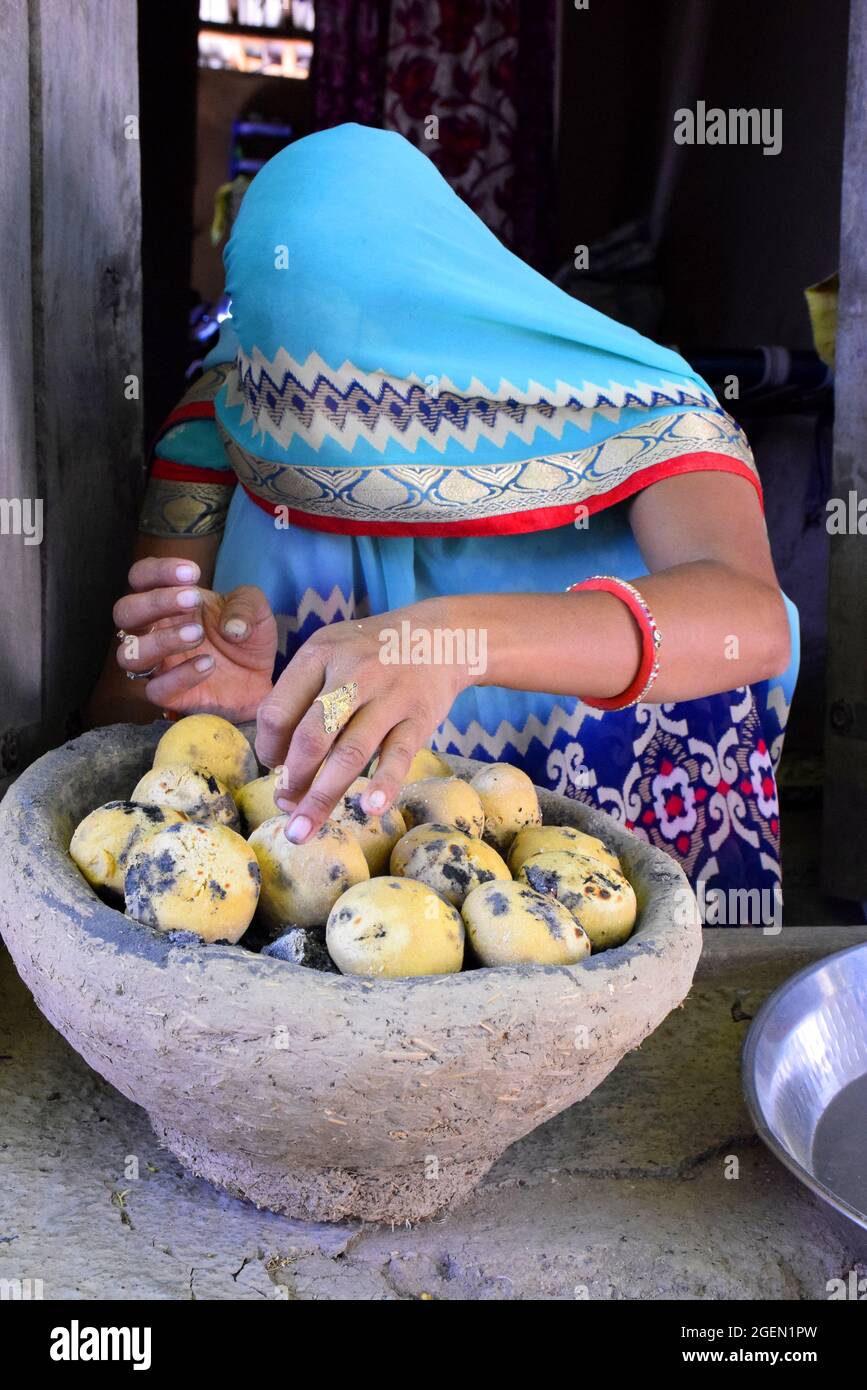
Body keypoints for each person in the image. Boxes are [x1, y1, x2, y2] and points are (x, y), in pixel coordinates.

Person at [90, 124, 797, 913]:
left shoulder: (639, 406)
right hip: (347, 908)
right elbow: (108, 726)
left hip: (598, 879)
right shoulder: (225, 418)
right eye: (292, 362)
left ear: (446, 296)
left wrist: (449, 640)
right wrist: (224, 705)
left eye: (369, 367)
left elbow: (749, 616)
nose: (328, 413)